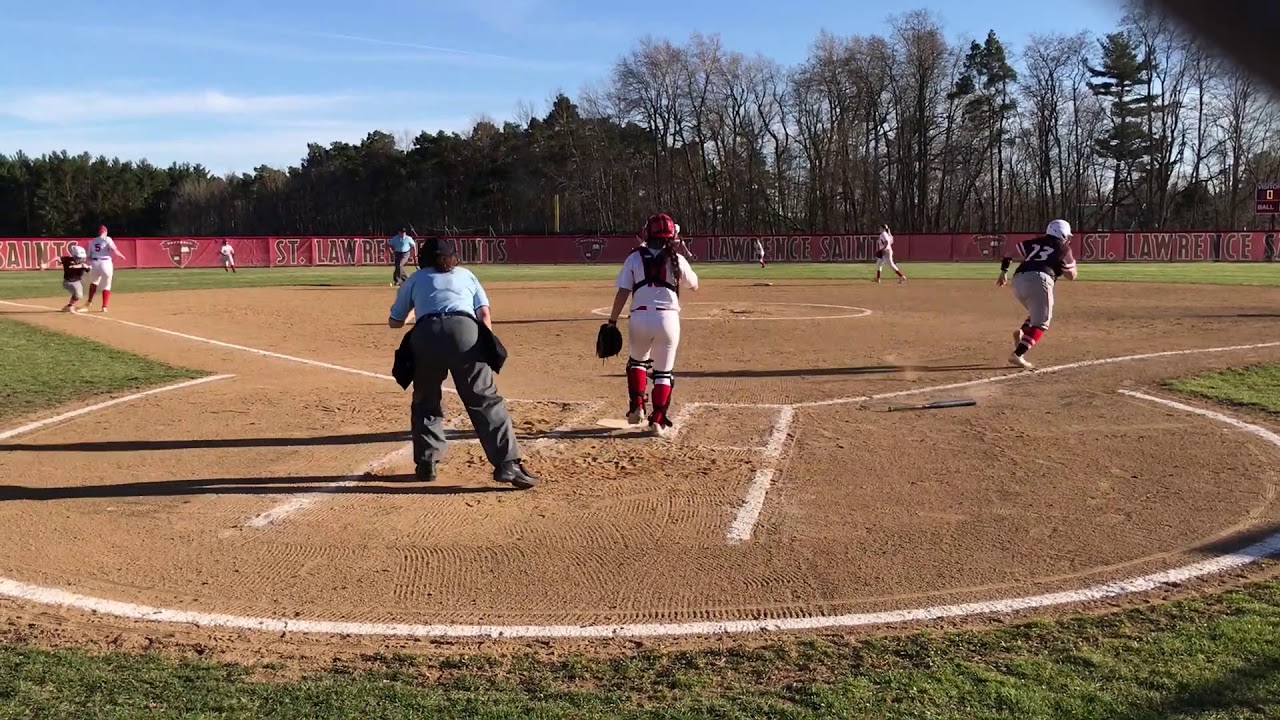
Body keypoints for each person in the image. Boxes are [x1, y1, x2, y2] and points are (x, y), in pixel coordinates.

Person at [388, 237, 537, 489]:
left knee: (425, 399)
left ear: (422, 259)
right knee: (484, 399)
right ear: (452, 257)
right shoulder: (467, 275)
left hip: (426, 334)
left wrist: (417, 309)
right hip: (465, 331)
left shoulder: (414, 279)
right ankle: (507, 465)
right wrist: (486, 345)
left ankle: (427, 463)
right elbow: (484, 313)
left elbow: (395, 322)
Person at [605, 213, 700, 437]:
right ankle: (657, 421)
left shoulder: (634, 258)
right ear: (672, 236)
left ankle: (637, 407)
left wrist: (612, 321)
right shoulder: (677, 259)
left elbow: (623, 292)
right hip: (668, 320)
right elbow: (695, 285)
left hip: (639, 318)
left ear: (648, 233)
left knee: (637, 363)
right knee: (663, 373)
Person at [997, 219, 1078, 370]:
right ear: (1062, 233)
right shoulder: (1063, 248)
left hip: (1019, 279)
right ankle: (1018, 354)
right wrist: (1066, 266)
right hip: (1040, 279)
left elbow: (1008, 253)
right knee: (1041, 322)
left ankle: (1023, 333)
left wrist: (1003, 272)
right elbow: (1071, 276)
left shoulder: (1034, 242)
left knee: (1036, 314)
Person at [85, 225, 126, 312]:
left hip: (95, 263)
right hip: (106, 263)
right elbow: (114, 250)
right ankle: (104, 306)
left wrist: (90, 264)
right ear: (105, 232)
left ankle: (89, 301)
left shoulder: (92, 241)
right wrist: (121, 255)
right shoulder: (107, 239)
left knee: (94, 282)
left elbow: (88, 256)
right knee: (107, 285)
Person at [45, 243, 90, 313]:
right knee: (78, 294)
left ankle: (69, 306)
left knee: (79, 295)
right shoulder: (67, 260)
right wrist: (47, 264)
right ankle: (70, 306)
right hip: (68, 282)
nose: (81, 259)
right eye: (79, 258)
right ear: (74, 256)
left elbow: (87, 269)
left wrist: (82, 266)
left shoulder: (83, 264)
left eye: (82, 258)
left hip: (77, 282)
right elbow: (57, 258)